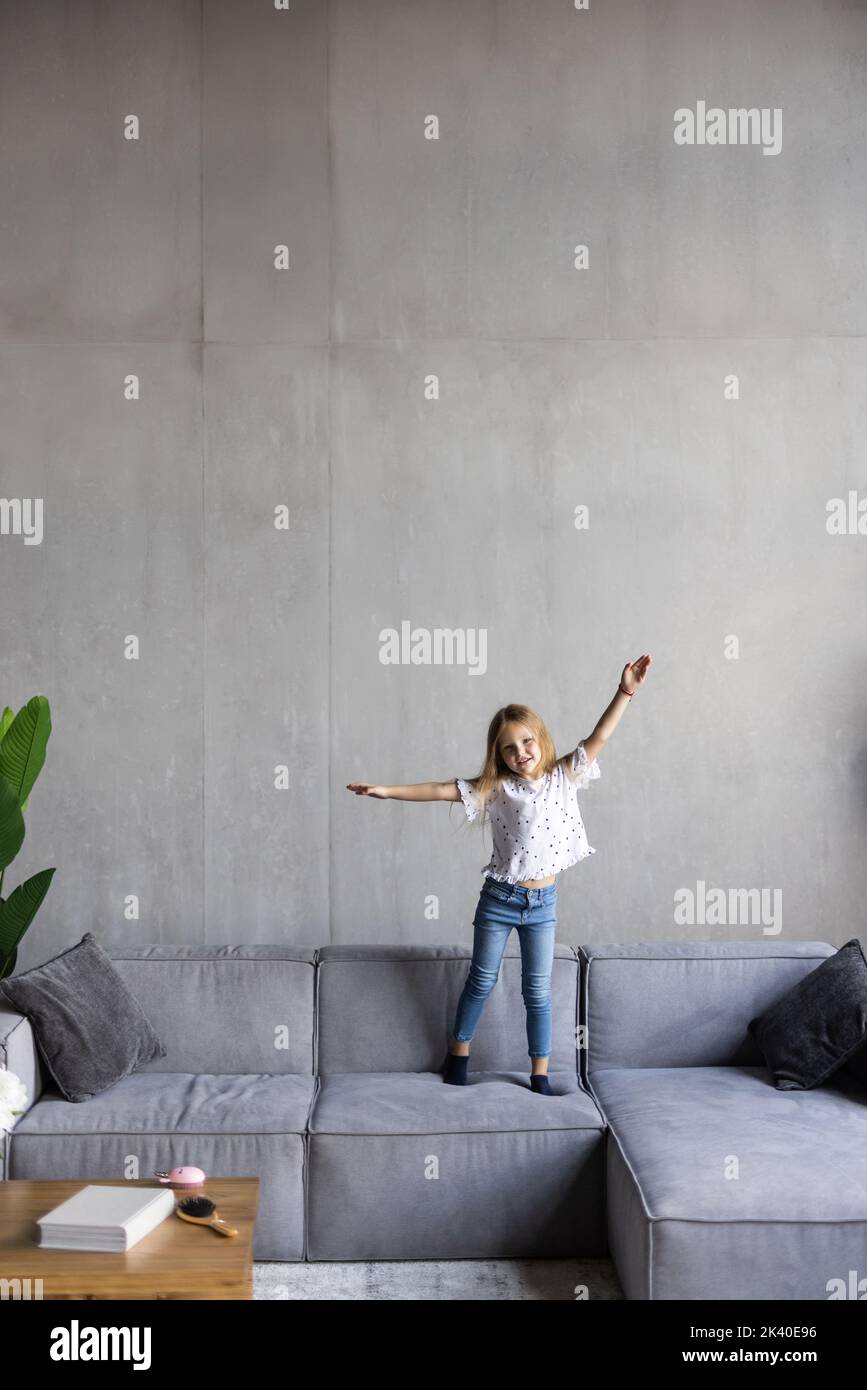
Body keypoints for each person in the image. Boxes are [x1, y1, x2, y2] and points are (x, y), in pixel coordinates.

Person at [347, 654, 652, 1094]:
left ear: (541, 740)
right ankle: (459, 1053)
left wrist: (625, 691)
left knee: (537, 991)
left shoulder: (565, 776)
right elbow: (437, 789)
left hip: (542, 905)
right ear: (499, 754)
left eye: (526, 742)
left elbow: (601, 733)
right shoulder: (495, 788)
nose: (520, 753)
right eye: (509, 748)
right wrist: (385, 791)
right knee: (482, 979)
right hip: (499, 901)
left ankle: (540, 1072)